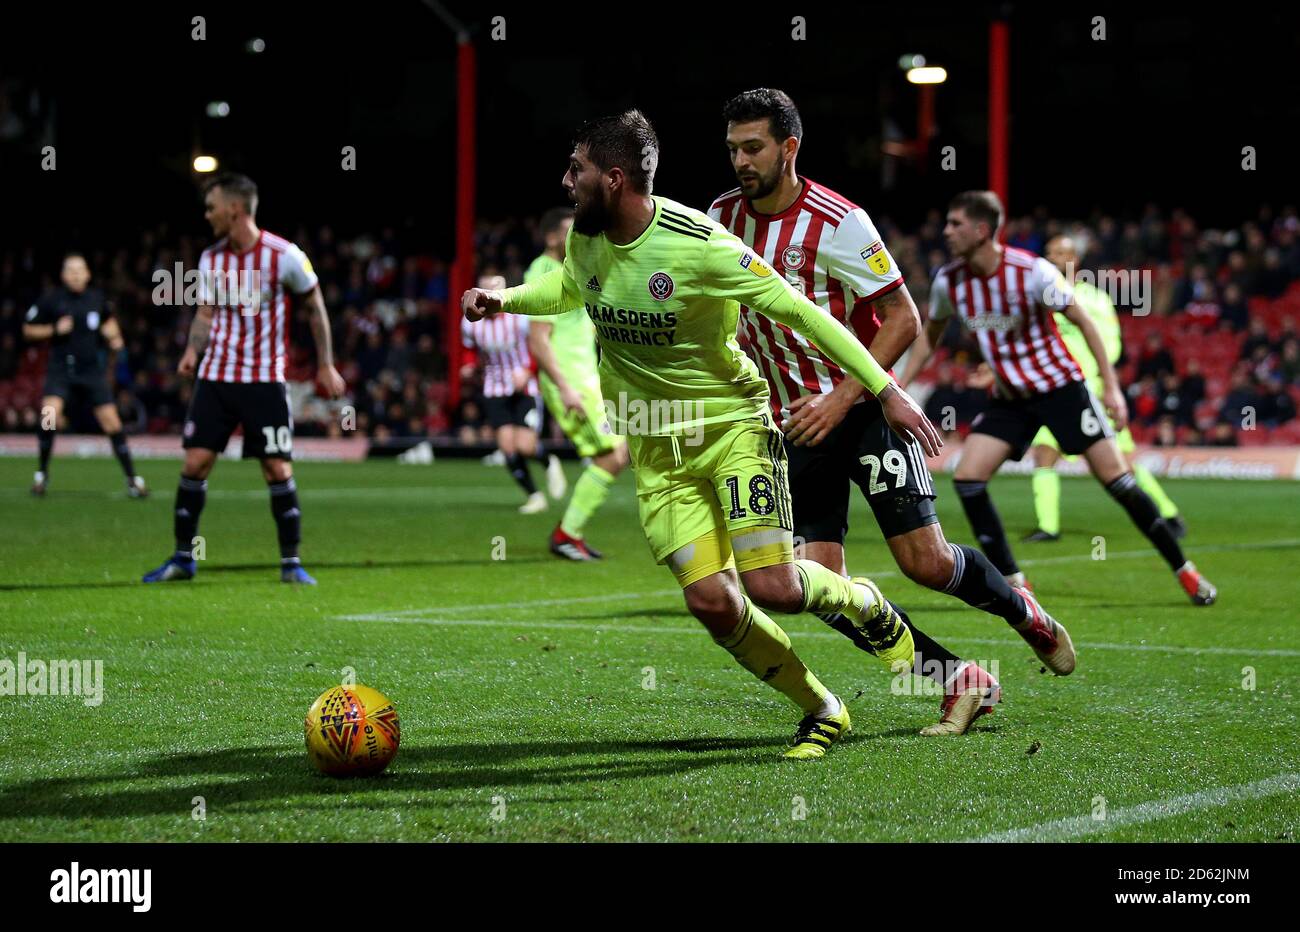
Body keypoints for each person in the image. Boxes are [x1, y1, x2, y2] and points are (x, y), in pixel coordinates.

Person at [463, 110, 942, 758]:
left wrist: (885, 390)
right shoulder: (588, 234)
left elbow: (802, 314)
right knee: (713, 604)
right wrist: (508, 299)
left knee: (772, 585)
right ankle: (822, 710)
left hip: (730, 429)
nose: (565, 180)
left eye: (576, 169)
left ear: (614, 177)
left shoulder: (700, 244)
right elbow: (573, 287)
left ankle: (865, 604)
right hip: (656, 447)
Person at [707, 88, 1077, 736]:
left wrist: (846, 394)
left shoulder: (839, 220)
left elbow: (903, 317)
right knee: (819, 588)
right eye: (734, 147)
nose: (741, 160)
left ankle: (1025, 613)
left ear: (788, 147)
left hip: (862, 406)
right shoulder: (720, 217)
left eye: (754, 147)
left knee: (925, 565)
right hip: (795, 424)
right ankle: (960, 681)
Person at [900, 191, 1216, 606]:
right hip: (1011, 398)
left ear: (981, 230)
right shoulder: (949, 281)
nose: (946, 231)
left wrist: (1112, 387)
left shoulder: (1031, 272)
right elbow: (930, 335)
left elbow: (1082, 321)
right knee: (968, 479)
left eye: (955, 223)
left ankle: (1185, 571)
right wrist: (900, 387)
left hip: (1062, 390)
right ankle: (1016, 585)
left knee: (1118, 481)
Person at [143, 172, 346, 584]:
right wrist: (191, 350)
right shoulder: (211, 258)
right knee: (195, 463)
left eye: (212, 207)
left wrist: (325, 363)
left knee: (276, 468)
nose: (207, 214)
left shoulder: (284, 255)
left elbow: (315, 306)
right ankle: (183, 558)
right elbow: (205, 312)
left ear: (234, 209)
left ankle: (291, 563)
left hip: (263, 379)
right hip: (216, 376)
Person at [1023, 234, 1186, 542]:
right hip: (1055, 391)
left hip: (1089, 390)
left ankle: (1167, 513)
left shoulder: (1095, 299)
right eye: (1049, 253)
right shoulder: (1041, 299)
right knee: (1044, 454)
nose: (1052, 258)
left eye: (1059, 253)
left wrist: (1100, 382)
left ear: (1074, 260)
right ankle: (1048, 527)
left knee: (1123, 462)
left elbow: (1110, 344)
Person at [525, 207, 630, 559]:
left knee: (617, 452)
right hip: (570, 382)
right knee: (616, 453)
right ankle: (567, 534)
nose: (576, 239)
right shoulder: (544, 271)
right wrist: (565, 387)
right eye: (569, 232)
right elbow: (538, 339)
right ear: (552, 236)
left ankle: (569, 534)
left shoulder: (570, 271)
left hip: (585, 379)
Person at [23, 253, 146, 498]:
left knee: (112, 423)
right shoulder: (52, 300)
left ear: (88, 274)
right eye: (71, 270)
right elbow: (28, 330)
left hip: (91, 373)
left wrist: (115, 339)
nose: (76, 275)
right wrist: (53, 329)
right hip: (61, 372)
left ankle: (133, 479)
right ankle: (42, 474)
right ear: (63, 274)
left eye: (80, 270)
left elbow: (109, 325)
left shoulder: (97, 299)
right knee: (49, 416)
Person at [462, 272, 566, 514]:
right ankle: (535, 496)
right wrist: (468, 367)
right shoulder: (470, 322)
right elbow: (469, 349)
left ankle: (549, 460)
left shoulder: (518, 317)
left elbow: (537, 346)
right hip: (494, 387)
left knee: (526, 446)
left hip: (524, 387)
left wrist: (528, 371)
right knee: (508, 447)